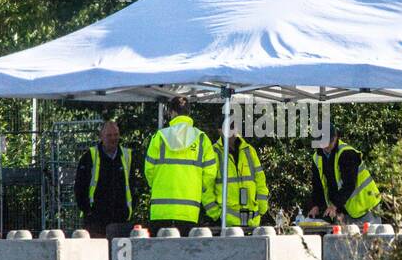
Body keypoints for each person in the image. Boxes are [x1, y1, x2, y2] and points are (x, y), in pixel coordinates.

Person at [144, 96, 217, 235]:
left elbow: (149, 170)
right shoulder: (202, 139)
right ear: (189, 112)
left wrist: (160, 186)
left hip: (160, 211)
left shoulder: (159, 137)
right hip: (189, 211)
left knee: (159, 254)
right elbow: (210, 174)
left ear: (171, 112)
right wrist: (196, 188)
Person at [304, 123, 382, 225]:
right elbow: (317, 186)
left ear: (335, 137)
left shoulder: (347, 153)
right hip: (343, 211)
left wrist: (334, 205)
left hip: (367, 207)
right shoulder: (317, 157)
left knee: (371, 239)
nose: (326, 146)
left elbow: (349, 184)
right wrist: (316, 205)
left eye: (328, 142)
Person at [73, 120, 133, 237]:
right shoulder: (89, 157)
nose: (113, 138)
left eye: (116, 135)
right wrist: (88, 211)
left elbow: (134, 185)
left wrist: (128, 211)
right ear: (101, 136)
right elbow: (80, 187)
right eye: (109, 135)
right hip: (95, 221)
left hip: (120, 219)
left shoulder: (127, 156)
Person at [207, 122, 269, 229]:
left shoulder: (249, 150)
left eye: (233, 127)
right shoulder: (214, 153)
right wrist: (215, 213)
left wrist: (262, 209)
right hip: (227, 222)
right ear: (219, 131)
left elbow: (260, 181)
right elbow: (207, 186)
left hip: (252, 221)